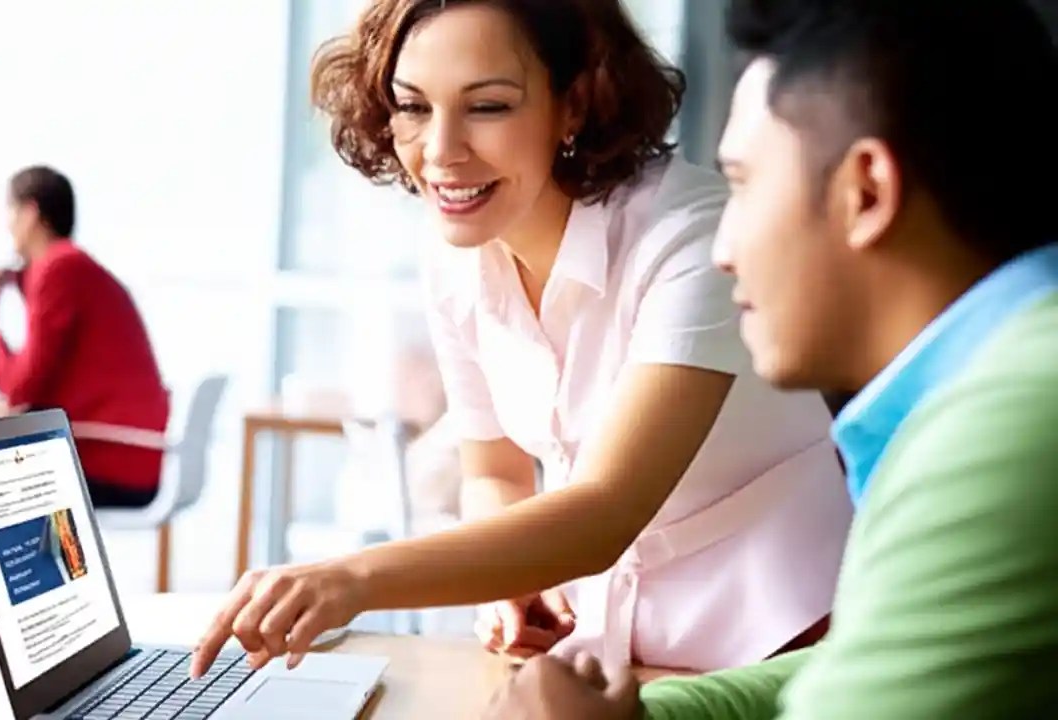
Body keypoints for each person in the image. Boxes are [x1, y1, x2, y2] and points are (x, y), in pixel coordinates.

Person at [189, 0, 854, 678]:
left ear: (575, 104)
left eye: (488, 107)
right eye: (412, 106)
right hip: (615, 647)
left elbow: (605, 511)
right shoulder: (454, 257)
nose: (441, 151)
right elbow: (495, 472)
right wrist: (513, 579)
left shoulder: (687, 235)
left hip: (795, 634)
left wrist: (350, 579)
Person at [483, 0, 1058, 717]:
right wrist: (642, 716)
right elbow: (853, 665)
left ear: (866, 191)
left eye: (745, 185)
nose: (723, 250)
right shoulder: (1002, 378)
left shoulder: (1010, 424)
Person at [0, 165, 170, 507]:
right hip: (114, 452)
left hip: (109, 460)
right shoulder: (65, 266)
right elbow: (20, 377)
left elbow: (20, 393)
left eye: (9, 211)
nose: (6, 224)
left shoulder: (59, 268)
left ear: (30, 213)